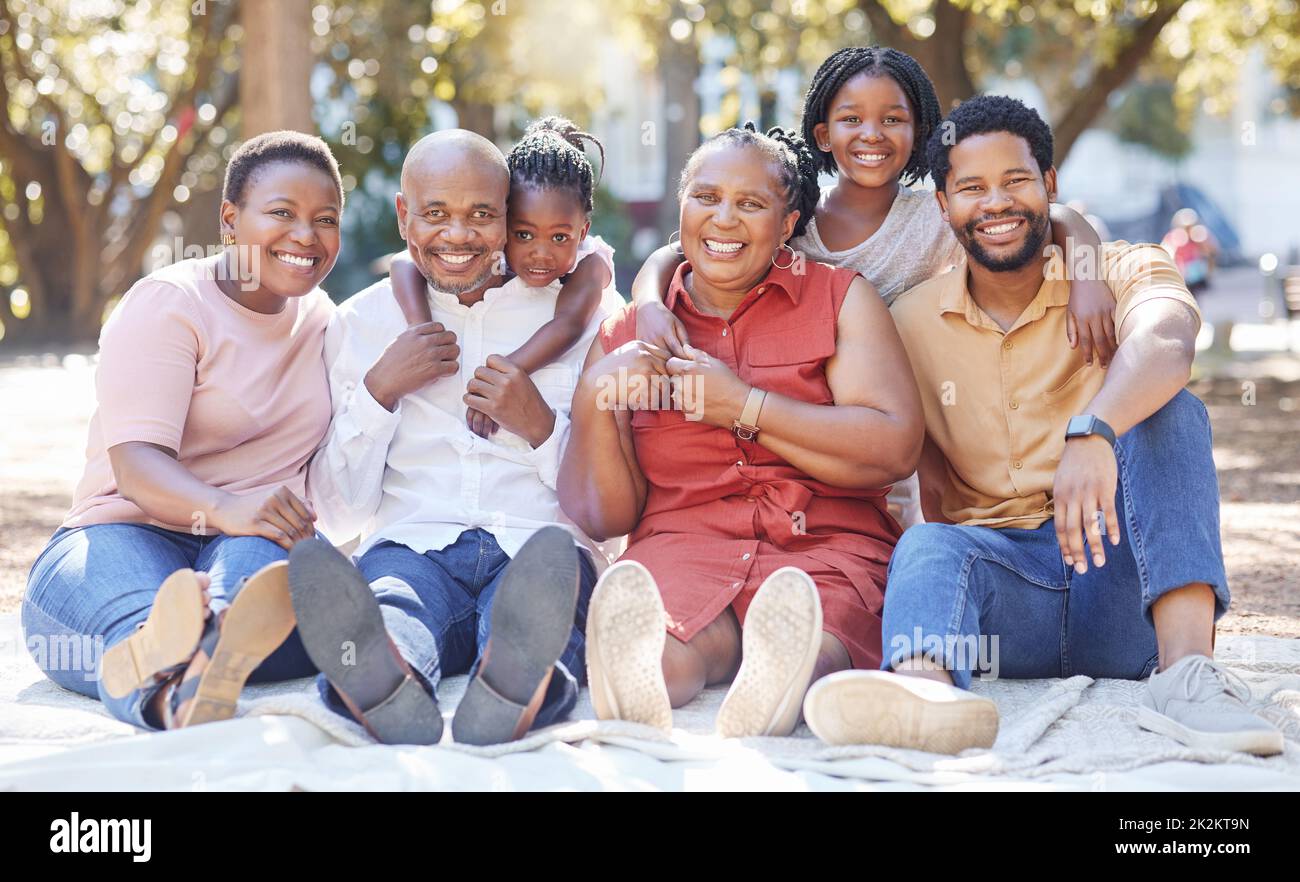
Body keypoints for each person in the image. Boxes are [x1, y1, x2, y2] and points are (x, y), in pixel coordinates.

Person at [800, 96, 1283, 757]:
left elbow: (1169, 341)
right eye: (971, 188)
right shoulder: (907, 323)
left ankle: (1186, 677)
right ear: (943, 206)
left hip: (1124, 584)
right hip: (1005, 598)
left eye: (1016, 181)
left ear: (1050, 187)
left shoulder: (1119, 267)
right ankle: (923, 695)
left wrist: (1095, 430)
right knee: (930, 546)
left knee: (1172, 412)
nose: (995, 203)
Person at [630, 46, 1121, 528]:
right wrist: (648, 300)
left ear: (919, 131)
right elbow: (682, 250)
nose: (872, 134)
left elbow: (1048, 215)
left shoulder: (935, 215)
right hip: (817, 434)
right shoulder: (795, 224)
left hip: (922, 425)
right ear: (823, 133)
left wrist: (1087, 269)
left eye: (892, 120)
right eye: (851, 120)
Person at [558, 123, 923, 738]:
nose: (723, 219)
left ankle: (787, 678)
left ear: (787, 224)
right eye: (706, 197)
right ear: (683, 208)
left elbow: (893, 446)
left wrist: (746, 406)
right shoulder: (632, 331)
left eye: (750, 204)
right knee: (670, 647)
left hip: (826, 547)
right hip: (683, 544)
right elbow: (600, 518)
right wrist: (597, 398)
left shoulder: (838, 298)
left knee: (815, 634)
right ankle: (642, 673)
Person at [293, 128, 623, 746]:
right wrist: (379, 392)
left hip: (539, 543)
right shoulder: (362, 323)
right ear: (403, 215)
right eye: (435, 214)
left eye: (481, 215)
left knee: (540, 606)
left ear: (507, 216)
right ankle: (379, 678)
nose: (457, 235)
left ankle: (522, 681)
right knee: (391, 603)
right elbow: (338, 512)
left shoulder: (589, 318)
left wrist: (542, 429)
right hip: (411, 545)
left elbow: (610, 513)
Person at [22, 131, 343, 730]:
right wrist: (226, 507)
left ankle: (203, 655)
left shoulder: (326, 321)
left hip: (253, 543)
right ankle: (167, 661)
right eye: (281, 213)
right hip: (121, 534)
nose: (306, 235)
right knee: (138, 619)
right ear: (229, 218)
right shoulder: (171, 304)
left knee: (258, 587)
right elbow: (136, 463)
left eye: (325, 219)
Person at [388, 117, 614, 437]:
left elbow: (568, 324)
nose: (540, 253)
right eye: (523, 234)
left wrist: (503, 375)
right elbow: (403, 263)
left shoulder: (589, 263)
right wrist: (422, 329)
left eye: (560, 238)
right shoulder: (491, 246)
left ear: (582, 232)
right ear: (505, 220)